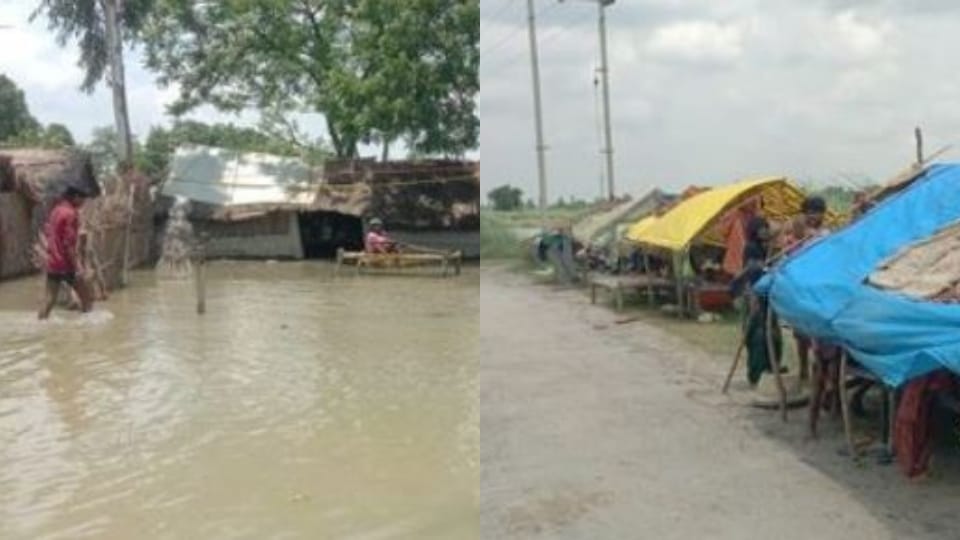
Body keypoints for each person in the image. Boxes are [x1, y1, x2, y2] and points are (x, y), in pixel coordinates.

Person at [730, 216, 783, 386]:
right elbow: (752, 272)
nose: (765, 230)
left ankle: (771, 366)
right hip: (754, 295)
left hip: (767, 295)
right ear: (754, 230)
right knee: (757, 335)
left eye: (766, 227)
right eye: (761, 228)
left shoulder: (766, 246)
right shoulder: (751, 247)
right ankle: (756, 373)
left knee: (773, 333)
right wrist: (752, 298)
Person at [38, 186, 93, 320]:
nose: (83, 203)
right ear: (75, 197)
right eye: (82, 199)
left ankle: (40, 324)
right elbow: (68, 244)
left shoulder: (56, 211)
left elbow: (51, 234)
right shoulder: (71, 214)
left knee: (49, 299)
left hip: (53, 263)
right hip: (66, 264)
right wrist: (78, 266)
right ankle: (88, 328)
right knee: (86, 296)